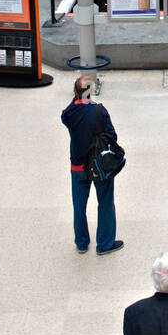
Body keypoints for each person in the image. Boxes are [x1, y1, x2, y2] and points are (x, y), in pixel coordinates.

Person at [60, 75, 124, 254]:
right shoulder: (100, 112)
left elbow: (65, 115)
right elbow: (112, 135)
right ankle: (104, 244)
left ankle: (81, 243)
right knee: (105, 202)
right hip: (99, 166)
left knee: (79, 206)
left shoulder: (70, 114)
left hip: (77, 167)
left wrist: (77, 98)